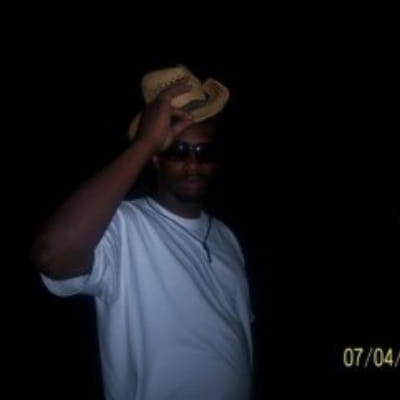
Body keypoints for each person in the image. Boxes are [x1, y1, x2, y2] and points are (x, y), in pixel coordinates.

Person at [31, 65, 254, 400]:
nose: (192, 164)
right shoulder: (124, 225)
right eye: (177, 151)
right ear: (156, 159)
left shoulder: (226, 237)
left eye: (204, 153)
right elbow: (52, 256)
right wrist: (146, 141)